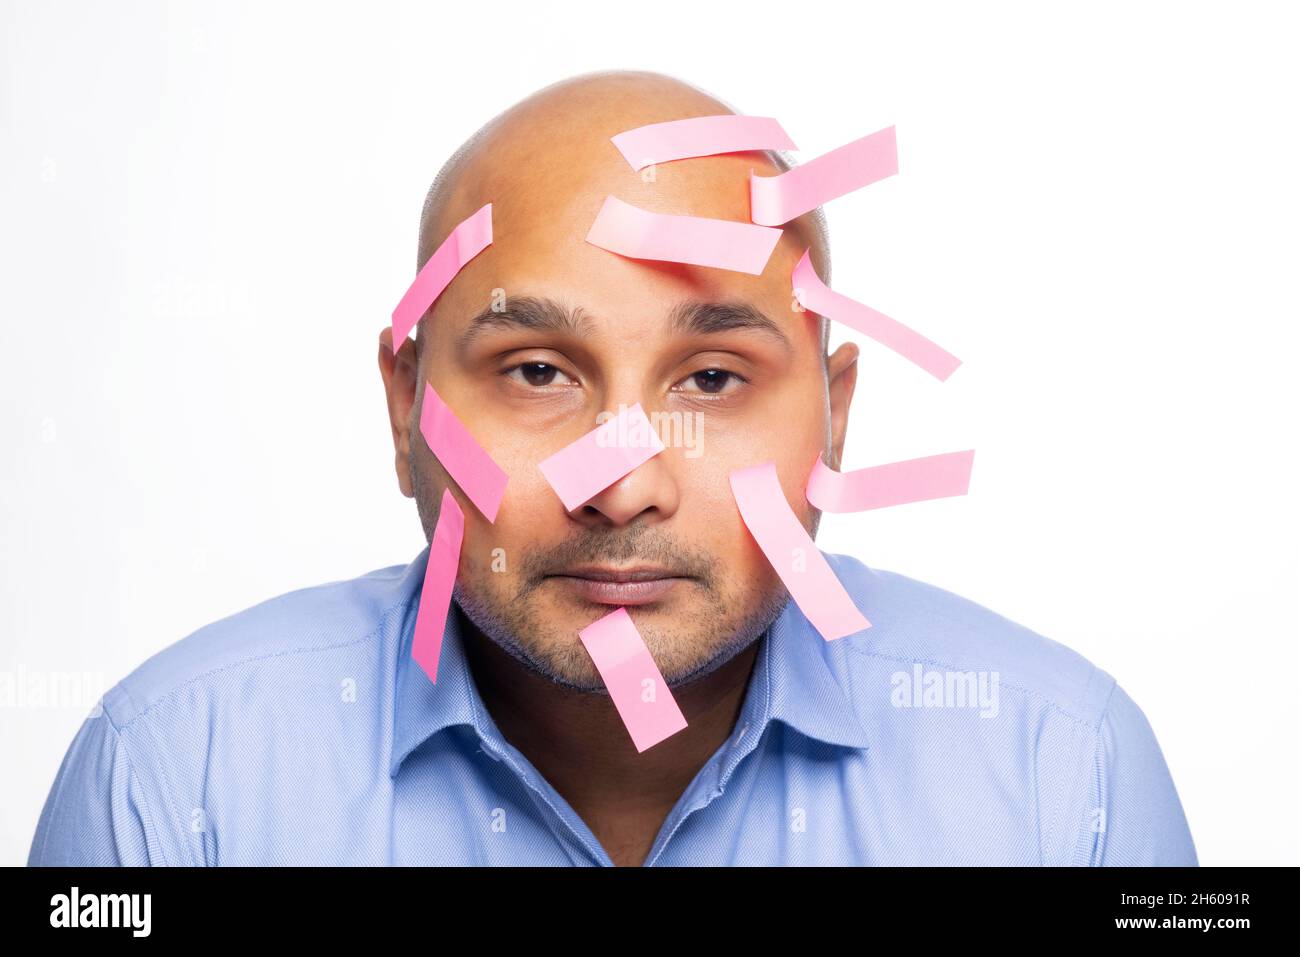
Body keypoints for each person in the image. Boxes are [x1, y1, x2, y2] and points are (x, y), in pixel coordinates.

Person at [28, 70, 1197, 866]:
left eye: (712, 379)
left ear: (833, 418)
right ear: (406, 408)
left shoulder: (1060, 770)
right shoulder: (176, 778)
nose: (623, 482)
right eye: (537, 373)